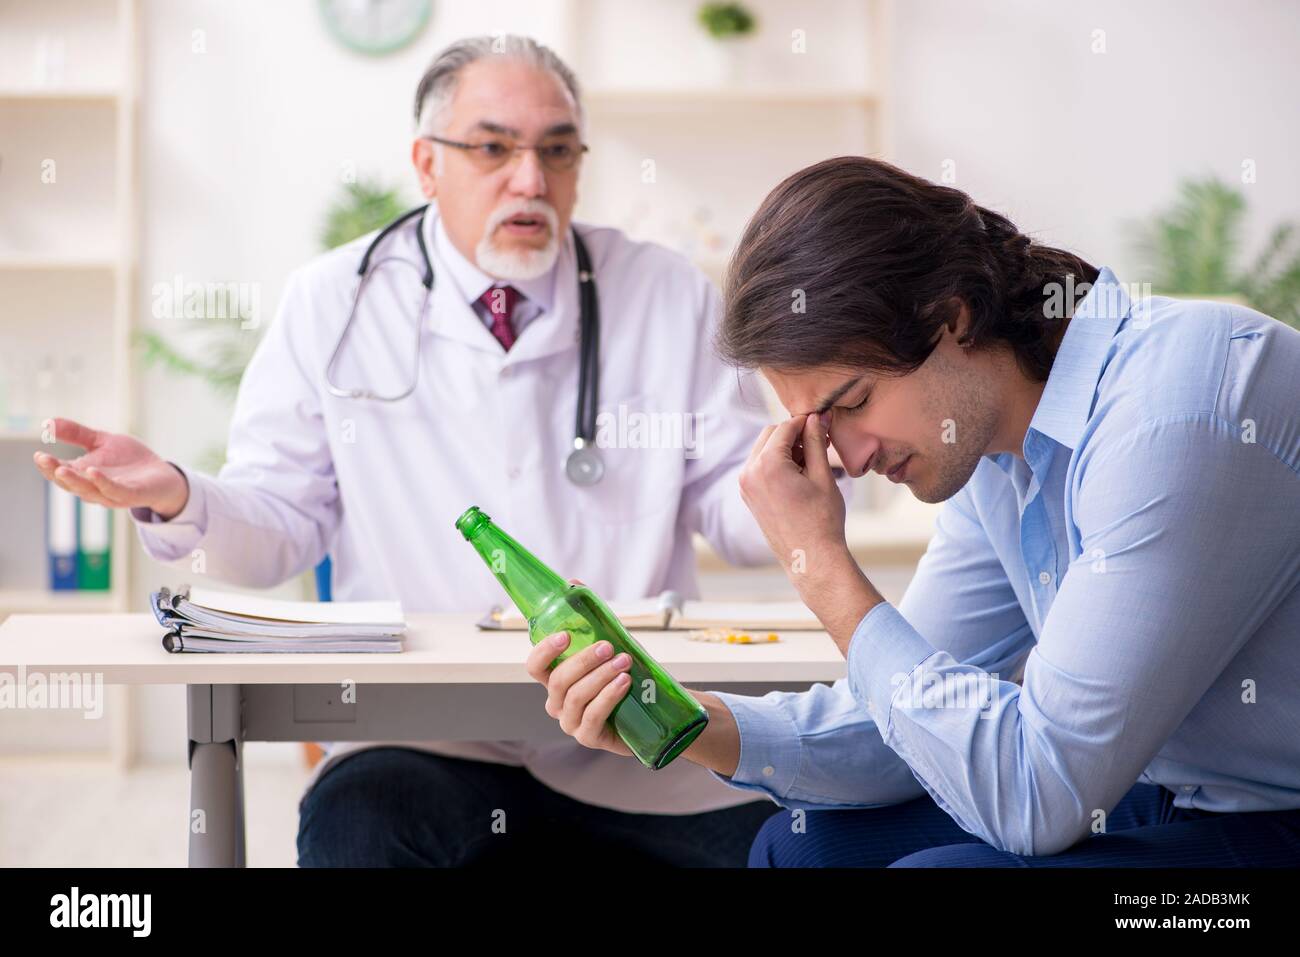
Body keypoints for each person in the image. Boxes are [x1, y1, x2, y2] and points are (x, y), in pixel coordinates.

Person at [32, 35, 809, 868]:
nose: (530, 178)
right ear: (427, 163)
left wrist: (797, 478)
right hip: (424, 738)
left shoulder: (666, 293)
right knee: (357, 835)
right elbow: (281, 528)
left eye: (557, 149)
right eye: (492, 147)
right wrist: (184, 496)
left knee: (785, 847)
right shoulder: (333, 301)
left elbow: (735, 511)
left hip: (635, 737)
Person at [528, 155, 1300, 867]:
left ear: (953, 316)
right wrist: (687, 722)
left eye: (853, 404)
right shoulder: (995, 454)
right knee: (800, 851)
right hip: (1173, 797)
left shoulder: (1180, 414)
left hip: (1270, 823)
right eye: (822, 432)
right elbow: (899, 732)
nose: (851, 459)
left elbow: (1037, 794)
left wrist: (820, 563)